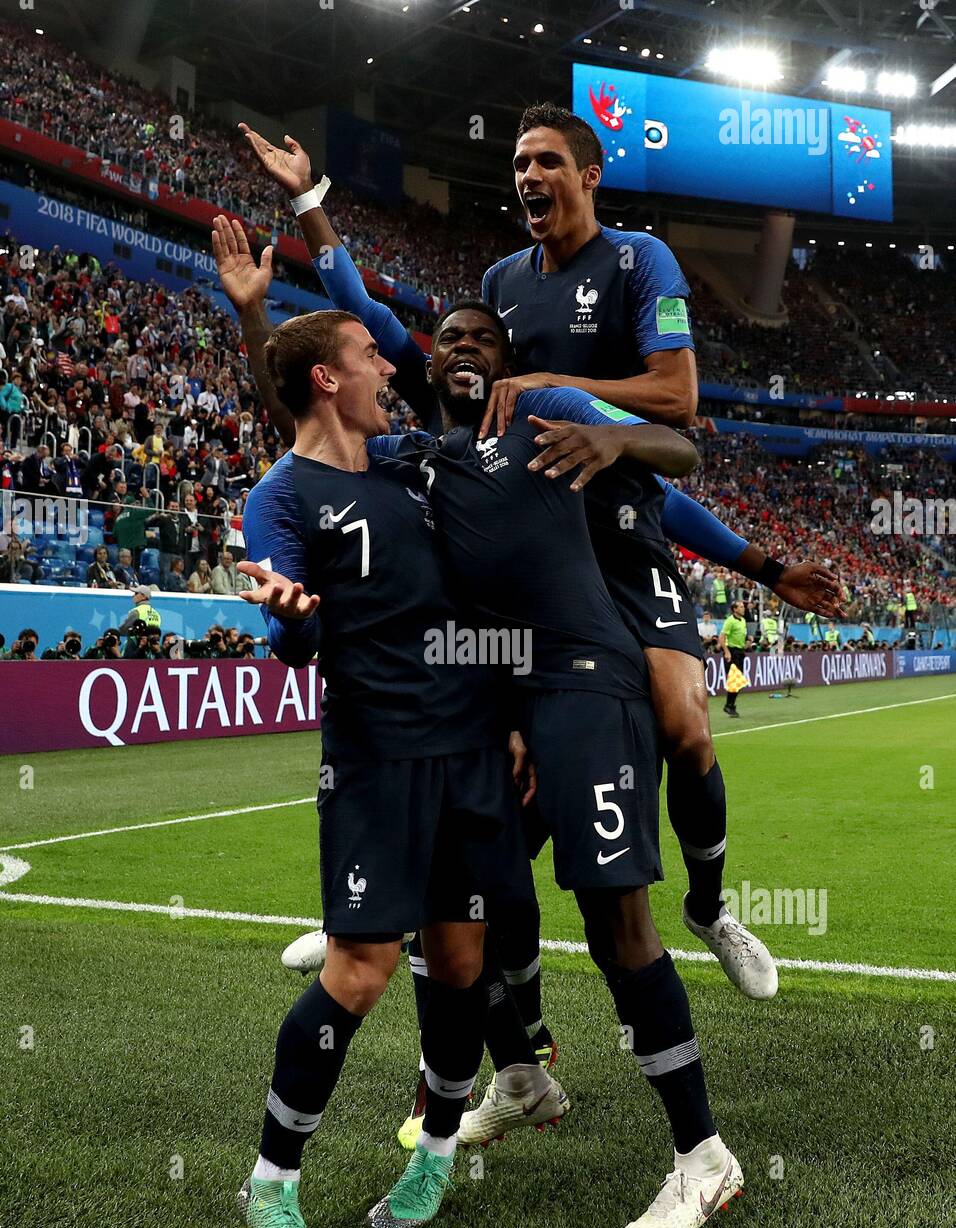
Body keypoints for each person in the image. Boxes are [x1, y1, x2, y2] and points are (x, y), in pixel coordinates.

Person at [238, 119, 842, 1012]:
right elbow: (358, 336)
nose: (528, 175)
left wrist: (749, 555)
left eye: (546, 160)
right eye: (517, 162)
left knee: (685, 725)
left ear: (588, 175)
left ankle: (712, 909)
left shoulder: (641, 263)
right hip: (526, 551)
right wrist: (308, 204)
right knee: (479, 765)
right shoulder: (498, 290)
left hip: (622, 534)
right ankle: (384, 936)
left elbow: (676, 409)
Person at [236, 307, 549, 1228]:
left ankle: (438, 1153)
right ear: (328, 379)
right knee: (359, 970)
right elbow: (287, 629)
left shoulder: (410, 463)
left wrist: (512, 711)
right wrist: (289, 620)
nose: (389, 366)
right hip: (375, 756)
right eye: (370, 356)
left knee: (460, 964)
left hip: (470, 752)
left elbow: (477, 589)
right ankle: (273, 1181)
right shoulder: (281, 496)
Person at [717, 601, 748, 719]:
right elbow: (722, 637)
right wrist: (726, 651)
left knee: (738, 681)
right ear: (734, 609)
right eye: (741, 607)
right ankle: (729, 705)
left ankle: (730, 705)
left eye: (743, 607)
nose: (743, 608)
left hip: (740, 652)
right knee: (735, 679)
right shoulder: (730, 621)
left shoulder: (743, 621)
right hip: (732, 652)